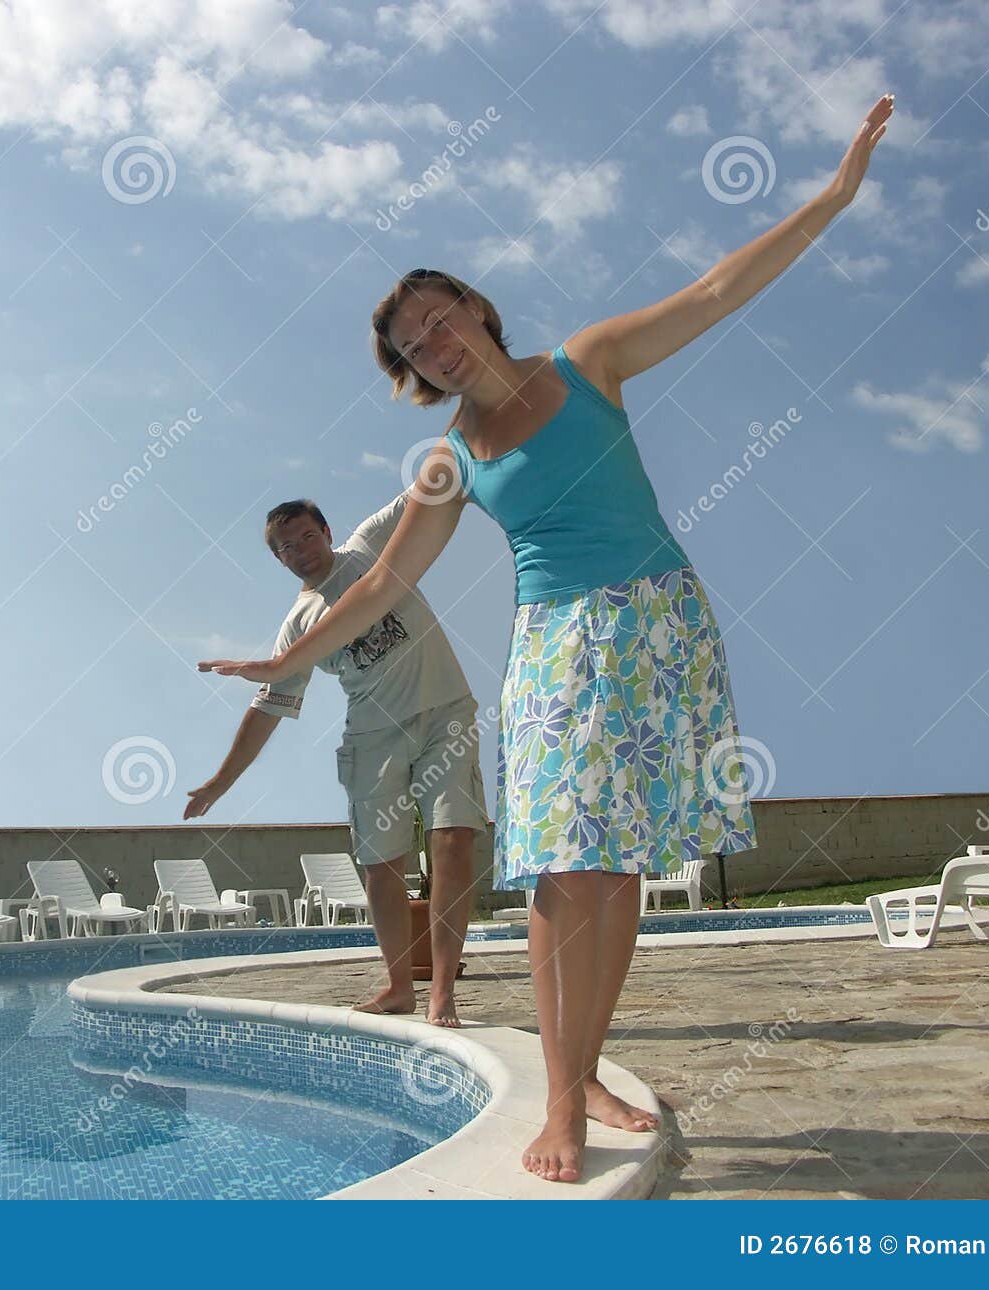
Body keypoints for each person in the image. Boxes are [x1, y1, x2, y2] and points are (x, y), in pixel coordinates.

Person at [199, 93, 895, 1183]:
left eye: (439, 316)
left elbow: (716, 292)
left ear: (474, 310)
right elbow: (383, 577)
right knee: (556, 872)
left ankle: (582, 1073)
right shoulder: (448, 458)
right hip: (557, 645)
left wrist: (836, 193)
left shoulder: (588, 363)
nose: (433, 341)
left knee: (607, 873)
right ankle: (566, 1101)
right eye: (411, 343)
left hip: (658, 626)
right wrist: (283, 658)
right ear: (414, 371)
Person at [184, 490, 491, 1026]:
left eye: (306, 536)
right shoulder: (299, 625)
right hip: (373, 738)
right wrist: (219, 782)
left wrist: (478, 440)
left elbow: (432, 490)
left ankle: (442, 990)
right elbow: (267, 712)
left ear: (326, 532)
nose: (301, 550)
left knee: (453, 839)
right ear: (278, 559)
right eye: (286, 547)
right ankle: (399, 986)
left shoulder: (368, 546)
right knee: (379, 865)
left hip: (446, 713)